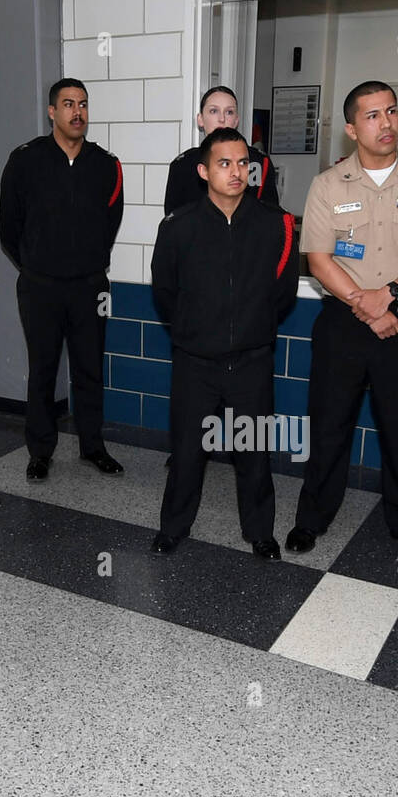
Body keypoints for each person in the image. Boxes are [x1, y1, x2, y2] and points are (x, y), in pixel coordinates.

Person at [286, 80, 398, 564]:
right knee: (328, 427)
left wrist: (389, 296)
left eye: (392, 112)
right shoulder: (327, 184)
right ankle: (311, 518)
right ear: (351, 128)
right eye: (372, 115)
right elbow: (318, 259)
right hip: (343, 322)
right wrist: (367, 305)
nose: (386, 123)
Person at [150, 127, 299, 558]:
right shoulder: (178, 227)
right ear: (203, 171)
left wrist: (253, 329)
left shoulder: (275, 224)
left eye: (242, 164)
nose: (236, 172)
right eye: (224, 163)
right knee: (187, 452)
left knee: (252, 452)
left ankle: (260, 531)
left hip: (252, 362)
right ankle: (173, 527)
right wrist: (194, 333)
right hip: (195, 363)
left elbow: (283, 293)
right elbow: (165, 292)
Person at [0, 78, 125, 482]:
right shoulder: (24, 160)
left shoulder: (106, 164)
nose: (77, 112)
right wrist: (37, 264)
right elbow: (8, 225)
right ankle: (40, 450)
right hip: (40, 286)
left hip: (90, 287)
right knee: (43, 369)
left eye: (83, 104)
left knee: (90, 368)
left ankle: (93, 446)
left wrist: (86, 263)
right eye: (68, 104)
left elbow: (110, 221)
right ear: (52, 112)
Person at [163, 86, 280, 216]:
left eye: (229, 112)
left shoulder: (259, 162)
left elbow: (271, 216)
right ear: (200, 119)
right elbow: (173, 221)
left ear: (236, 120)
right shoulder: (183, 164)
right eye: (213, 111)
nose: (222, 119)